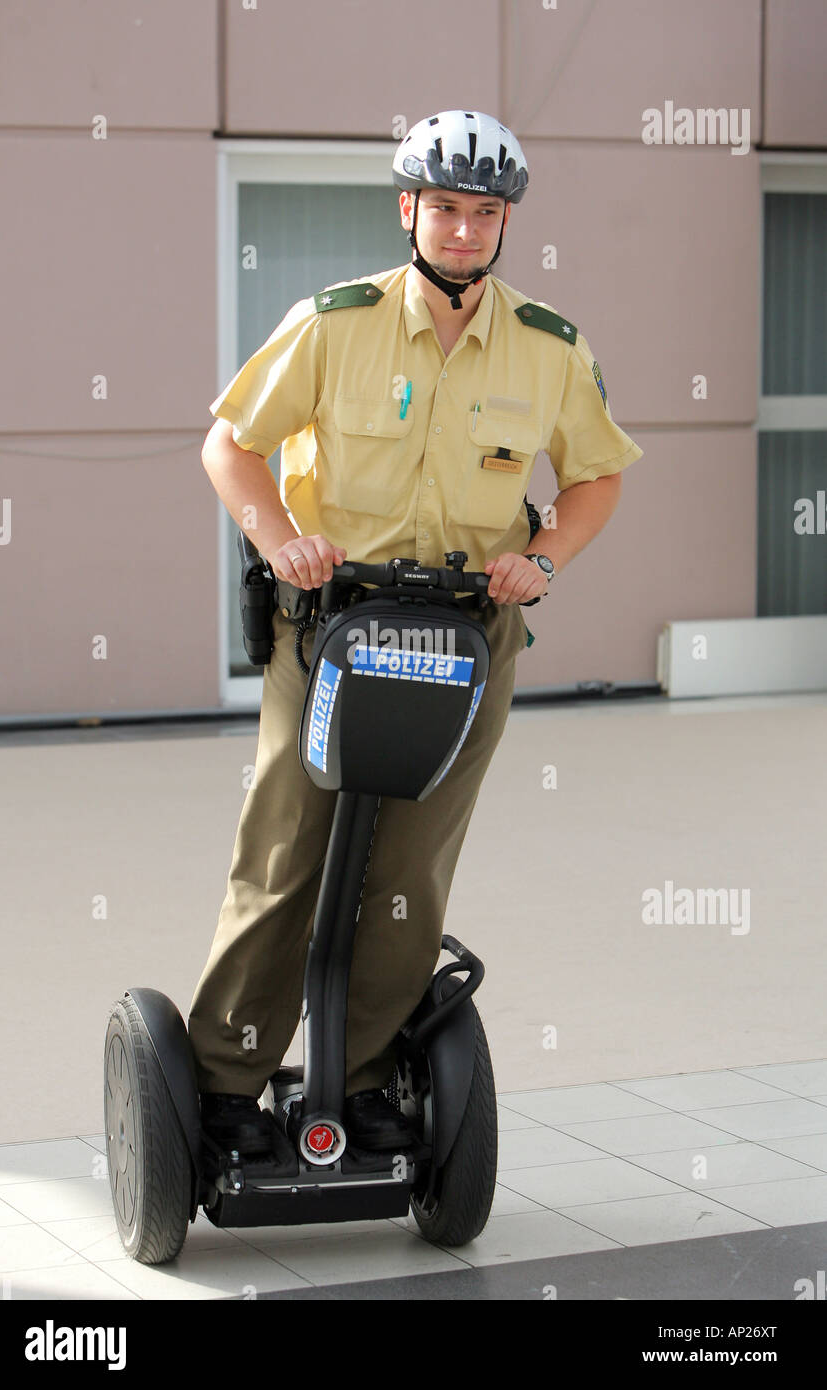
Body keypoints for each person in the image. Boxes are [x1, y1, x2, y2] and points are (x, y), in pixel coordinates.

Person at [188, 110, 643, 1156]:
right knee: (287, 849)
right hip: (330, 632)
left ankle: (362, 1083)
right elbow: (231, 444)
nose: (465, 230)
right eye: (445, 207)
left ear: (503, 225)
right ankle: (222, 1084)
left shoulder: (549, 349)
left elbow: (598, 476)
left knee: (410, 869)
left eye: (485, 213)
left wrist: (546, 559)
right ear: (409, 211)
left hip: (469, 636)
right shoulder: (332, 324)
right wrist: (280, 539)